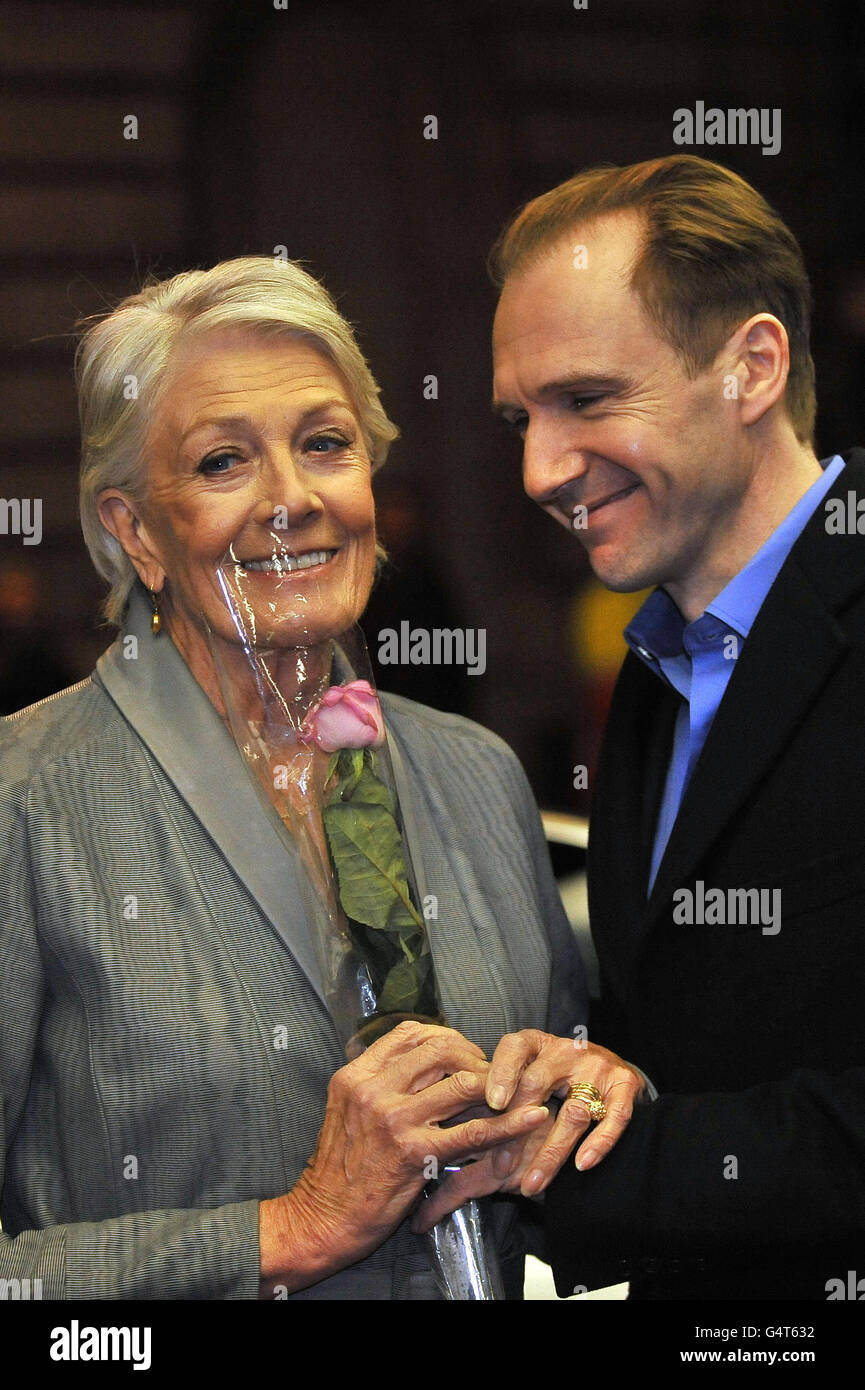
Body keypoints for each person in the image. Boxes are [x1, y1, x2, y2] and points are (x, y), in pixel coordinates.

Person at [0, 256, 643, 1300]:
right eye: (221, 463)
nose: (291, 500)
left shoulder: (473, 774)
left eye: (325, 445)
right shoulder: (24, 806)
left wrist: (598, 1102)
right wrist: (285, 1231)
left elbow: (563, 1137)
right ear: (135, 533)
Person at [421, 155, 865, 1301]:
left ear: (751, 367)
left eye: (586, 399)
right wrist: (599, 1081)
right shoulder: (661, 671)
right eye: (521, 417)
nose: (536, 468)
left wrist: (580, 1168)